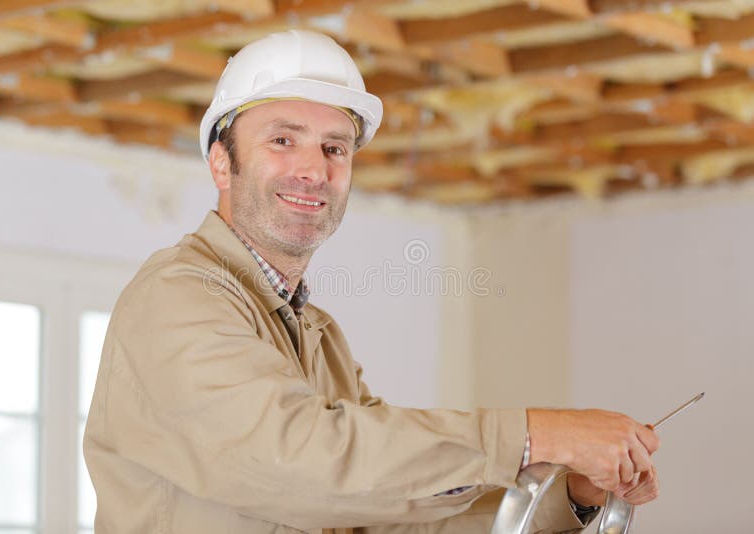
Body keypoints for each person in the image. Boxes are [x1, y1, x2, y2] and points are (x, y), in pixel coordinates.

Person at [84, 30, 660, 533]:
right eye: (282, 140)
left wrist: (565, 494)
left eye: (334, 148)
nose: (314, 170)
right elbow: (298, 463)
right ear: (221, 162)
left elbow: (378, 510)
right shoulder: (177, 297)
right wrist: (533, 437)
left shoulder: (317, 335)